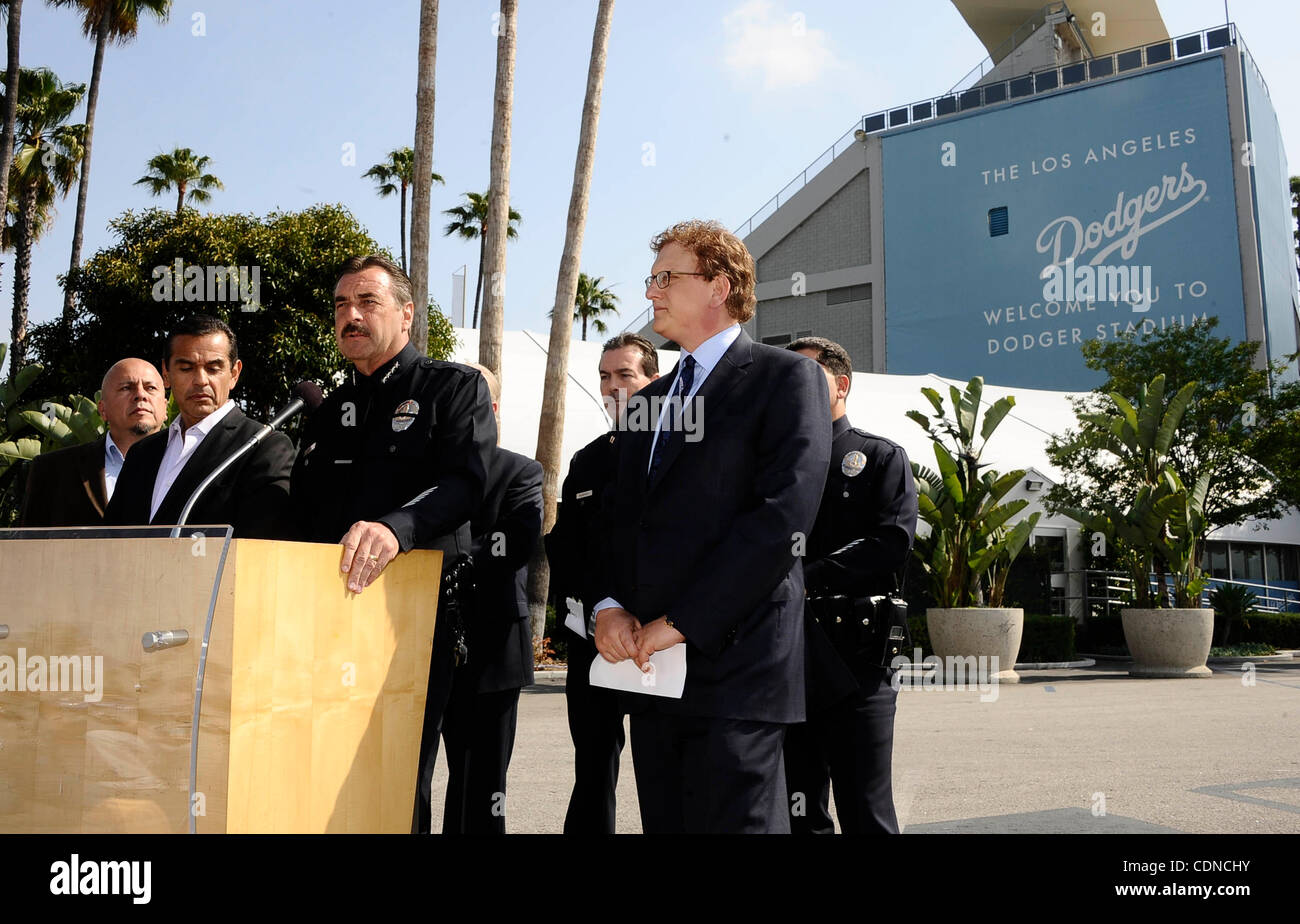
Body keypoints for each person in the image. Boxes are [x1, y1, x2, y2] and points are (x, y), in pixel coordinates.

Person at [592, 220, 831, 834]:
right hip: (651, 670)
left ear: (719, 286)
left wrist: (683, 622)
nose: (652, 293)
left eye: (667, 277)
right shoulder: (647, 402)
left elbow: (781, 521)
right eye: (652, 279)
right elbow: (621, 523)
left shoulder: (786, 378)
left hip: (739, 671)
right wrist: (611, 604)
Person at [287, 254, 495, 835]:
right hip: (329, 617)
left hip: (415, 617)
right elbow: (305, 511)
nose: (350, 316)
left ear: (406, 315)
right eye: (340, 306)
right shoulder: (325, 413)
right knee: (331, 773)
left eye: (367, 302)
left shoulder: (453, 389)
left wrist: (396, 528)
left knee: (399, 776)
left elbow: (465, 484)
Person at [782, 336, 918, 834]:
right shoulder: (774, 468)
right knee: (799, 806)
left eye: (805, 379)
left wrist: (802, 576)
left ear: (840, 386)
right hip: (789, 657)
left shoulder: (879, 457)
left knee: (865, 809)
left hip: (857, 659)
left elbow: (891, 542)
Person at [545, 332, 659, 833]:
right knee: (592, 768)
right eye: (605, 377)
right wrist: (600, 610)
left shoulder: (684, 452)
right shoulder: (586, 461)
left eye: (626, 376)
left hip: (665, 639)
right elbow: (566, 547)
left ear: (655, 381)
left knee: (667, 773)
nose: (613, 387)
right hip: (595, 639)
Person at [439, 363, 542, 834]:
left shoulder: (522, 472)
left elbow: (515, 545)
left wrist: (435, 559)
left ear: (491, 409)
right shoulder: (429, 473)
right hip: (424, 643)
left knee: (482, 784)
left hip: (493, 650)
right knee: (418, 777)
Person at [105, 316, 292, 538]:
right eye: (186, 368)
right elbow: (110, 537)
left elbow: (258, 545)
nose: (201, 380)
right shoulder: (142, 453)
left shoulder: (263, 447)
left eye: (213, 369)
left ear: (234, 373)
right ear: (166, 373)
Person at [21, 358, 167, 527]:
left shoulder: (191, 467)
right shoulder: (53, 469)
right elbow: (28, 545)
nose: (141, 395)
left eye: (151, 388)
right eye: (126, 388)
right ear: (103, 410)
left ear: (164, 407)